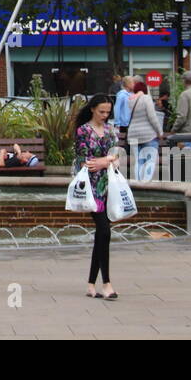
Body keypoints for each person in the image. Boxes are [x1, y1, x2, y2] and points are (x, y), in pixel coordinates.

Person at [73, 94, 120, 300]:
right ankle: (107, 283)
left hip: (108, 185)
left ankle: (91, 284)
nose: (104, 115)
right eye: (101, 111)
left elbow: (117, 156)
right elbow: (84, 161)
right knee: (105, 231)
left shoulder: (110, 130)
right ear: (92, 109)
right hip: (92, 188)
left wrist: (105, 161)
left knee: (101, 235)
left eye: (108, 112)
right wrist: (106, 160)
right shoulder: (83, 130)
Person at [125, 79, 163, 176]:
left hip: (133, 134)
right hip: (148, 135)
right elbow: (152, 117)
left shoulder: (130, 100)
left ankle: (138, 185)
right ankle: (146, 184)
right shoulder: (146, 98)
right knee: (150, 161)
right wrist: (160, 132)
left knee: (138, 162)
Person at [113, 75, 134, 140]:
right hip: (123, 125)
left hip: (130, 124)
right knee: (123, 143)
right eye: (133, 82)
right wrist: (117, 123)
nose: (134, 84)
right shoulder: (121, 95)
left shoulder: (132, 94)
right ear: (128, 84)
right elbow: (117, 109)